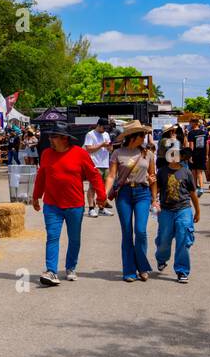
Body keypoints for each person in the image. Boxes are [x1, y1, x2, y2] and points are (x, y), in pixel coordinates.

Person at [31, 123, 99, 286]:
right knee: (52, 237)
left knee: (74, 238)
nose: (50, 139)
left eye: (53, 136)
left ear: (64, 139)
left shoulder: (80, 154)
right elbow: (41, 176)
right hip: (52, 205)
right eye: (50, 136)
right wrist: (36, 196)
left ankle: (70, 267)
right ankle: (51, 271)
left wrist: (102, 195)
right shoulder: (46, 154)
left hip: (74, 204)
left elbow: (94, 175)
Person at [104, 120, 157, 282]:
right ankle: (129, 270)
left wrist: (155, 199)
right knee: (127, 232)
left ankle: (142, 267)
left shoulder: (148, 154)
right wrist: (104, 195)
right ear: (134, 136)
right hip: (124, 194)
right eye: (143, 135)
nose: (145, 138)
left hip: (142, 193)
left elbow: (153, 177)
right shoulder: (118, 153)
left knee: (140, 231)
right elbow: (112, 176)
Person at [155, 143, 200, 283]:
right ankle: (161, 258)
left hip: (183, 209)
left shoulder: (186, 172)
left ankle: (182, 270)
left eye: (177, 154)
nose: (174, 157)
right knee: (164, 239)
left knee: (184, 238)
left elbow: (192, 193)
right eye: (172, 154)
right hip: (166, 210)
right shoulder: (161, 172)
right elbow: (156, 189)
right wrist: (152, 201)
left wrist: (197, 211)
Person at [82, 118, 113, 217]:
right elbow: (89, 149)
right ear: (98, 125)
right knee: (92, 187)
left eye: (106, 128)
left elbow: (110, 149)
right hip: (94, 164)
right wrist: (101, 145)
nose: (104, 129)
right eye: (103, 127)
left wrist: (109, 147)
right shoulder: (90, 134)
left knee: (104, 187)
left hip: (105, 164)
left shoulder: (106, 134)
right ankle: (91, 208)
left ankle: (101, 207)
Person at [186, 116, 208, 193]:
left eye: (190, 122)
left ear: (194, 123)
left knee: (194, 172)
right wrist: (206, 154)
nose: (190, 124)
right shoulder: (204, 132)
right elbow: (206, 144)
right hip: (202, 154)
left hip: (194, 154)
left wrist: (190, 155)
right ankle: (201, 188)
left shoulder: (191, 133)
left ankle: (195, 188)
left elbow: (191, 145)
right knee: (200, 173)